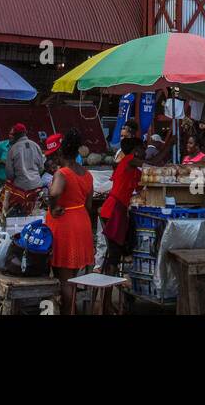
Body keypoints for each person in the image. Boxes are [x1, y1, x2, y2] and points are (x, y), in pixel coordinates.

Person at [46, 128, 96, 313]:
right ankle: (71, 308)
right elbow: (89, 205)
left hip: (65, 226)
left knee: (64, 278)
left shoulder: (63, 173)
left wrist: (52, 207)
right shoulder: (87, 174)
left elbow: (55, 193)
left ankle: (69, 311)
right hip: (81, 222)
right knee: (73, 276)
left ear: (60, 152)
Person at [100, 136, 145, 273]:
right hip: (114, 209)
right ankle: (108, 285)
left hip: (115, 208)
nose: (145, 152)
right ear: (136, 151)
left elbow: (141, 185)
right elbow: (151, 164)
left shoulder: (133, 169)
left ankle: (113, 279)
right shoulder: (129, 159)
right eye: (142, 149)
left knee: (116, 251)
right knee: (114, 255)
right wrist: (168, 145)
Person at [2, 123, 45, 215]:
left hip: (20, 189)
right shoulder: (36, 145)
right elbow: (41, 168)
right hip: (37, 185)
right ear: (25, 133)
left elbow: (9, 174)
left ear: (16, 135)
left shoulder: (13, 149)